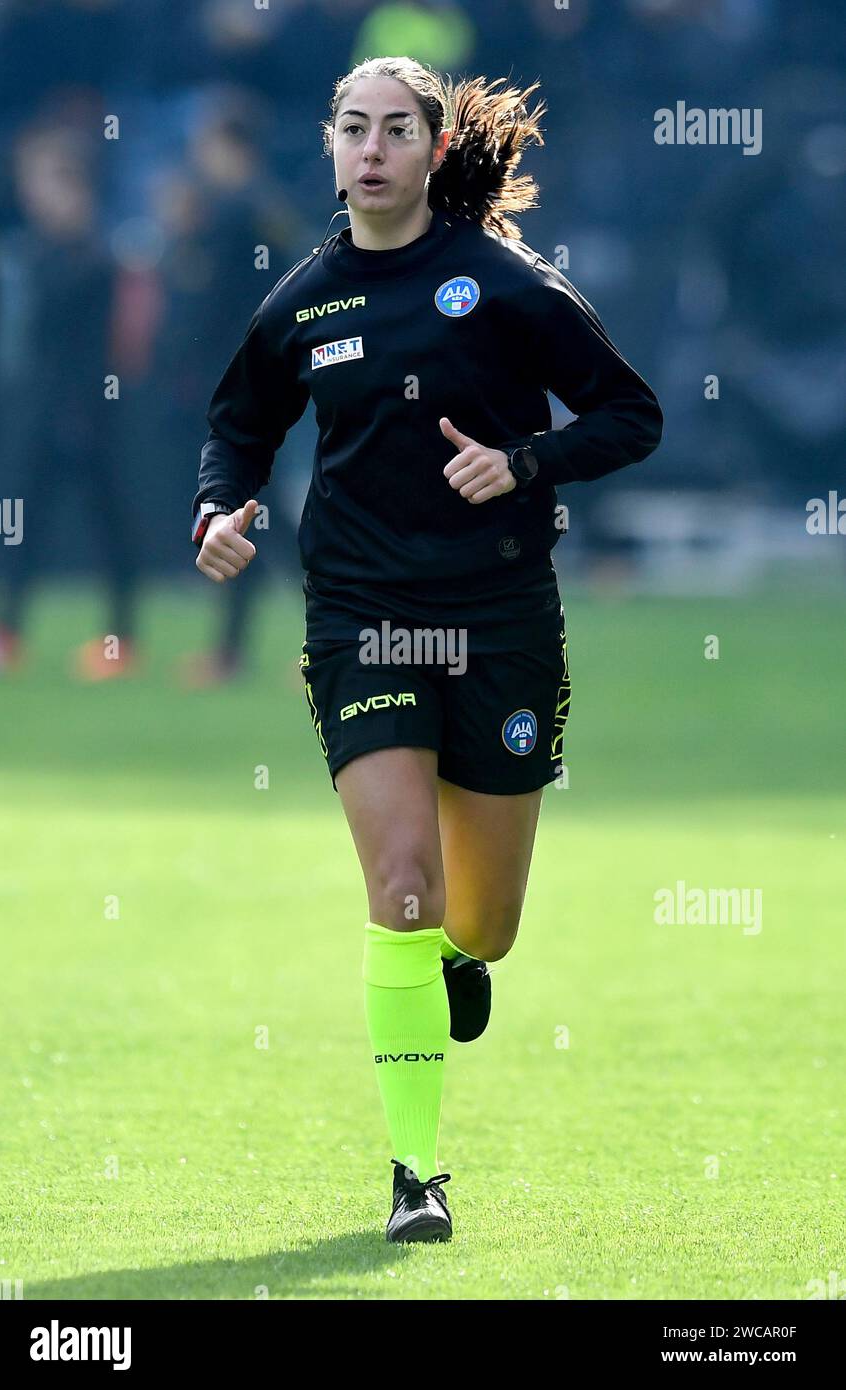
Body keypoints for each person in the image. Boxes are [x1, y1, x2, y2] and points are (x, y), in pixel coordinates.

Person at [191, 57, 663, 1243]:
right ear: (329, 141)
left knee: (481, 922)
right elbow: (239, 426)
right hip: (358, 614)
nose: (370, 150)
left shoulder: (503, 285)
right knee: (402, 885)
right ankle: (415, 1172)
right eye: (352, 128)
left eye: (395, 130)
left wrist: (522, 463)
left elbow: (629, 413)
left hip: (498, 619)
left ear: (433, 146)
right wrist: (221, 506)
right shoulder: (302, 299)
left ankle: (461, 956)